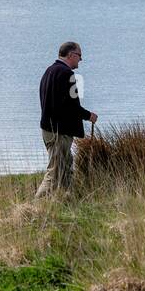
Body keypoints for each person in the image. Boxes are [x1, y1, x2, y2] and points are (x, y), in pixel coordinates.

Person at [35, 41, 98, 199]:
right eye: (79, 55)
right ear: (70, 55)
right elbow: (72, 105)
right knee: (55, 172)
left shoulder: (49, 71)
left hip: (48, 129)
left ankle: (66, 201)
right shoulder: (67, 74)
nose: (80, 60)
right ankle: (36, 206)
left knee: (66, 167)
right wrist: (89, 115)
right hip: (59, 131)